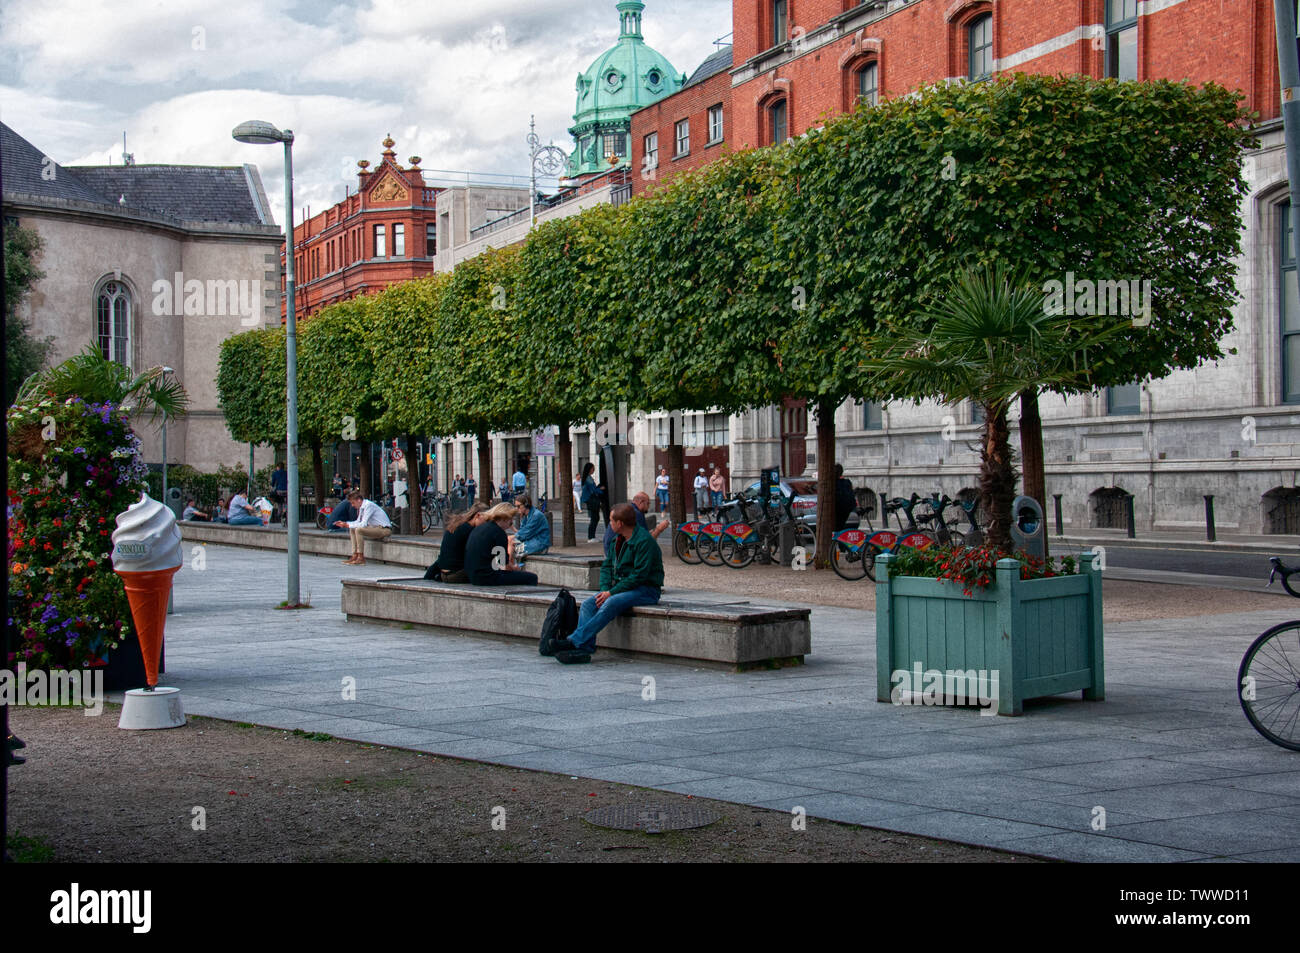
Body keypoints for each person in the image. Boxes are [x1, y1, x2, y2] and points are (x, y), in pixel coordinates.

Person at [554, 503, 664, 664]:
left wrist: (611, 593)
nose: (609, 524)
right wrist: (605, 590)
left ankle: (574, 640)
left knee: (611, 602)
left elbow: (639, 576)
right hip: (620, 588)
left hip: (646, 589)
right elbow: (606, 567)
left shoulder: (644, 541)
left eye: (611, 521)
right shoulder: (617, 540)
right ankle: (584, 649)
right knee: (588, 605)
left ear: (620, 524)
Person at [464, 503, 538, 586]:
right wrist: (515, 568)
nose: (511, 524)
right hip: (486, 577)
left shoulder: (480, 528)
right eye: (511, 520)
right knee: (532, 578)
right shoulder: (499, 533)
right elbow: (504, 565)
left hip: (472, 575)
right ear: (505, 518)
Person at [424, 502, 488, 581]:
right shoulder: (470, 531)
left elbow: (445, 554)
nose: (487, 524)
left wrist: (429, 575)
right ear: (478, 515)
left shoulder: (456, 524)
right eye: (486, 520)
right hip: (456, 574)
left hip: (444, 573)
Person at [603, 491, 668, 553]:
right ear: (641, 502)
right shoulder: (636, 514)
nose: (648, 507)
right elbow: (646, 541)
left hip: (610, 548)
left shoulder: (629, 510)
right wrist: (659, 529)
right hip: (618, 552)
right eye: (648, 503)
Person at [341, 490, 392, 566]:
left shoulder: (368, 505)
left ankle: (360, 557)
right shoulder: (362, 507)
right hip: (375, 528)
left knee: (358, 530)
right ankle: (355, 555)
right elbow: (358, 521)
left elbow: (363, 524)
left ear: (359, 500)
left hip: (384, 529)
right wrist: (346, 524)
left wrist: (347, 525)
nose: (352, 505)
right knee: (352, 528)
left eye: (353, 503)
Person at [513, 494, 551, 559]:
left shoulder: (536, 515)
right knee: (509, 547)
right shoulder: (525, 516)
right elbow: (522, 532)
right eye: (515, 506)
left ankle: (509, 567)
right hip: (531, 542)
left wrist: (511, 538)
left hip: (540, 544)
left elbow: (525, 533)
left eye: (518, 506)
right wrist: (512, 529)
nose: (517, 508)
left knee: (512, 549)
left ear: (526, 505)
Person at [580, 462, 603, 541]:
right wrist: (601, 489)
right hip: (591, 500)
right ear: (589, 469)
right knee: (595, 518)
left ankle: (592, 536)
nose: (594, 470)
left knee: (594, 518)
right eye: (593, 468)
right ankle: (591, 537)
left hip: (589, 500)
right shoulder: (588, 479)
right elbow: (593, 490)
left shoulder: (587, 478)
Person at [834, 463, 856, 531]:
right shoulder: (847, 482)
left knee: (838, 526)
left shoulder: (834, 483)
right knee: (840, 525)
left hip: (839, 507)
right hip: (848, 507)